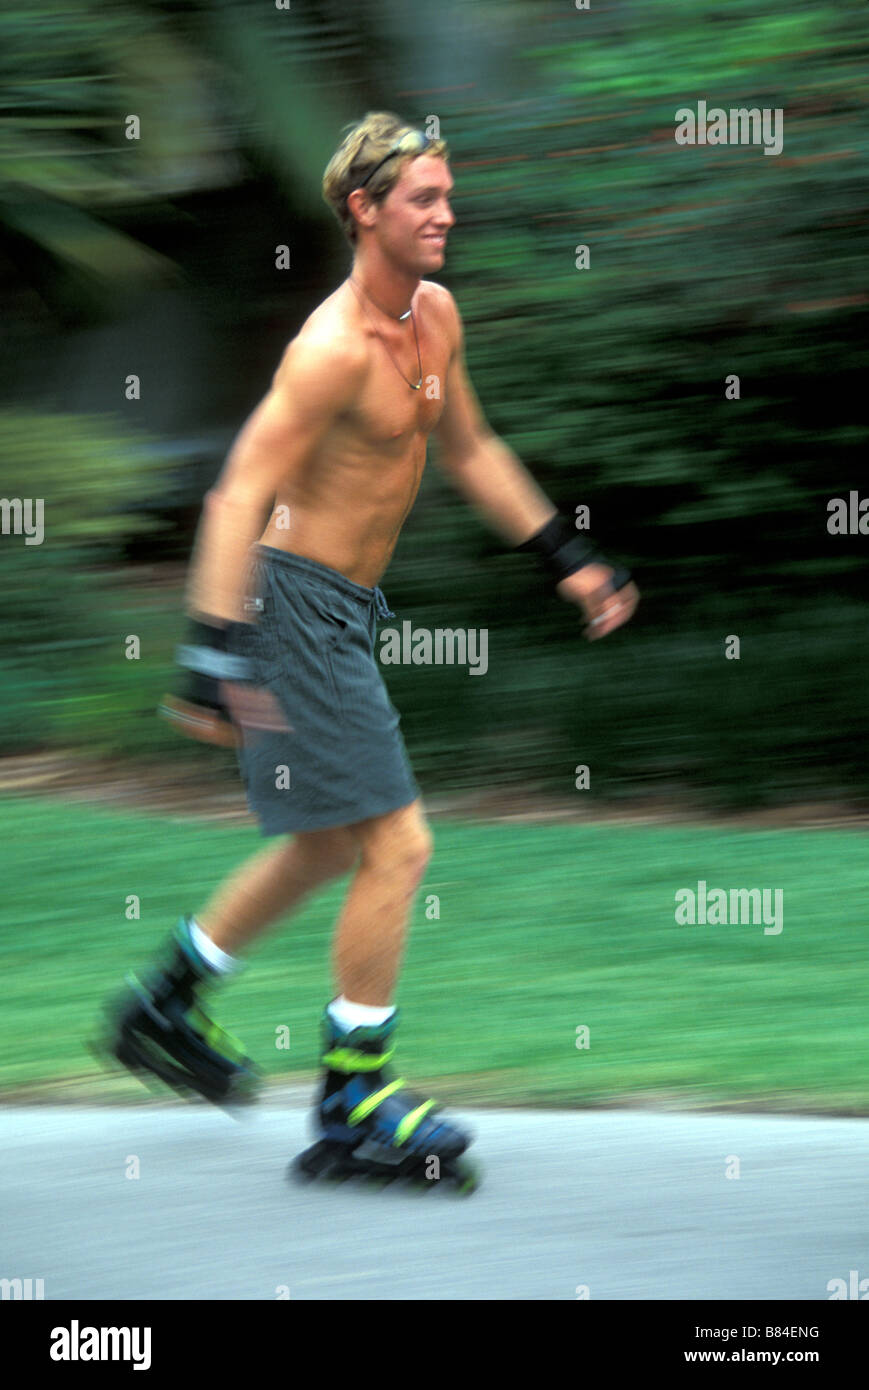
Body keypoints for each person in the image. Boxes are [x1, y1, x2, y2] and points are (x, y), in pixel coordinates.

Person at [104, 111, 639, 1189]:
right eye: (423, 200)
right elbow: (238, 487)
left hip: (341, 605)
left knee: (322, 843)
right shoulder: (330, 350)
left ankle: (162, 1000)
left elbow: (471, 445)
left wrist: (563, 553)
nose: (447, 214)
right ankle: (354, 1094)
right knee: (398, 845)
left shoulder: (432, 319)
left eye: (447, 196)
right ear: (363, 211)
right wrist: (211, 652)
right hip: (285, 601)